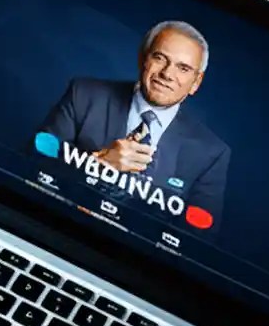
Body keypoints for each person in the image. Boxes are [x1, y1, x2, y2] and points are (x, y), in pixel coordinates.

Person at [38, 20, 230, 231]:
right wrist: (97, 164)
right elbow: (34, 162)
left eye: (183, 68)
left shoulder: (211, 153)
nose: (167, 74)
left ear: (196, 83)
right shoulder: (83, 95)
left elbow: (199, 237)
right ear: (142, 59)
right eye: (160, 58)